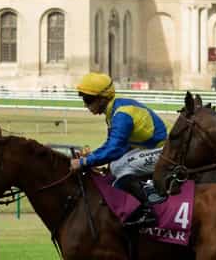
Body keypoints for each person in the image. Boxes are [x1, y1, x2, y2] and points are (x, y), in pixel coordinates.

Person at [70, 72, 167, 226]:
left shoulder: (122, 114)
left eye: (88, 100)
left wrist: (85, 162)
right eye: (84, 100)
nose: (85, 105)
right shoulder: (113, 110)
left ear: (103, 98)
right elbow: (112, 145)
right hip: (148, 149)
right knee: (116, 165)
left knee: (120, 166)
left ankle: (148, 208)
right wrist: (92, 156)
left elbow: (114, 149)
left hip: (163, 152)